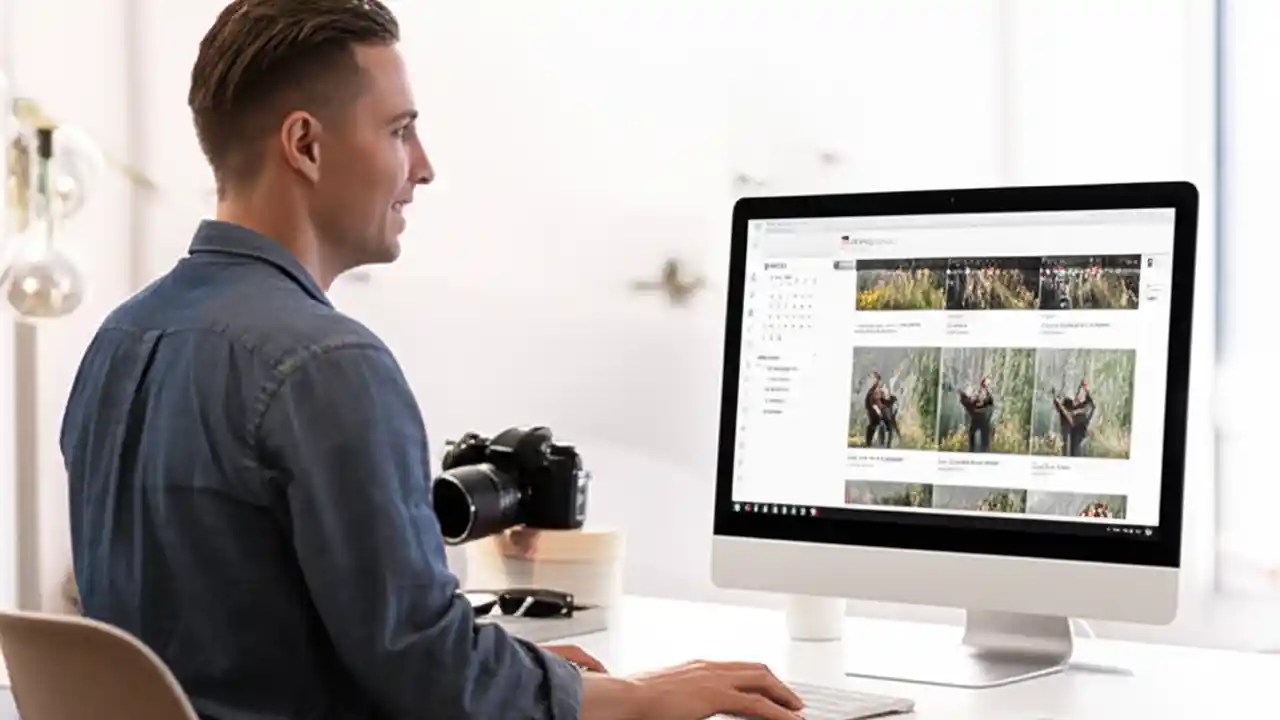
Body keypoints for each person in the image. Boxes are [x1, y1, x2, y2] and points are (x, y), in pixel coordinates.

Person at [57, 2, 804, 719]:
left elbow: (247, 638)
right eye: (399, 130)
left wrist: (530, 676)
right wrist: (638, 699)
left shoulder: (120, 341)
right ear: (306, 145)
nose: (424, 167)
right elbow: (433, 674)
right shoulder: (327, 365)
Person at [957, 377, 994, 452]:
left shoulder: (989, 397)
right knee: (972, 435)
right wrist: (964, 397)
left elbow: (990, 408)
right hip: (976, 418)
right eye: (985, 385)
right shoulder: (977, 394)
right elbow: (970, 403)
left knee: (984, 439)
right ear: (982, 384)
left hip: (984, 420)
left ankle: (984, 450)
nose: (986, 387)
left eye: (988, 385)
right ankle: (972, 450)